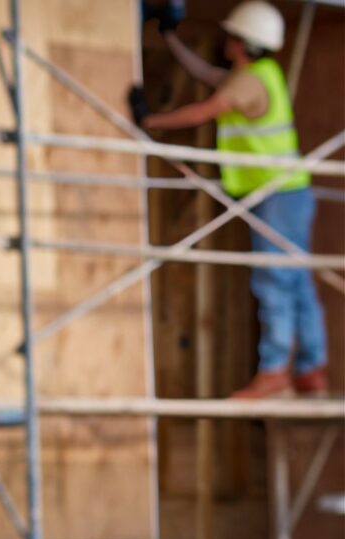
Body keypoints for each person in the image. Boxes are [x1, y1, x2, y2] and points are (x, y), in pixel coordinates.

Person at [132, 0, 328, 398]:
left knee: (275, 280)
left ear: (241, 42)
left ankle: (274, 373)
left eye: (231, 37)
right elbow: (206, 76)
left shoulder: (251, 79)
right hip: (286, 192)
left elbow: (206, 110)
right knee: (295, 280)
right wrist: (170, 37)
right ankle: (311, 369)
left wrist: (149, 122)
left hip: (277, 194)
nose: (225, 41)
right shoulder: (258, 74)